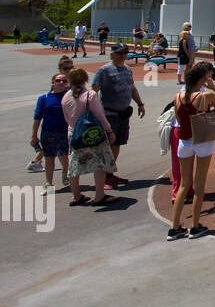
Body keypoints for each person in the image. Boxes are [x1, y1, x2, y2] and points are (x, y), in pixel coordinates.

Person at [167, 61, 215, 239]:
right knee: (199, 185)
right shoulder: (206, 96)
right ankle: (195, 226)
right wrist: (214, 87)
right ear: (202, 79)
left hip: (184, 143)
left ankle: (175, 227)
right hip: (202, 141)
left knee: (183, 184)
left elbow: (180, 117)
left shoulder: (177, 96)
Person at [91, 42, 145, 189]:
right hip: (109, 113)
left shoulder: (127, 69)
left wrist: (140, 104)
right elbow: (94, 91)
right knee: (107, 145)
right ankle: (103, 178)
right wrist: (93, 111)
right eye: (120, 53)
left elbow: (131, 87)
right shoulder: (104, 71)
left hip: (123, 113)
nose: (123, 56)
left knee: (117, 144)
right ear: (112, 54)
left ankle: (109, 174)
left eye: (125, 53)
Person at [61, 68, 117, 206]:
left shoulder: (66, 97)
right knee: (100, 162)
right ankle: (99, 195)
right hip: (91, 133)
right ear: (85, 79)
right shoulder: (90, 95)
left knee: (75, 164)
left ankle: (76, 195)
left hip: (74, 133)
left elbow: (67, 118)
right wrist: (109, 131)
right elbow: (100, 116)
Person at [29, 71, 71, 191]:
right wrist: (34, 135)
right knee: (49, 158)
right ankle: (49, 183)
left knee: (63, 156)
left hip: (64, 131)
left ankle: (65, 171)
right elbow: (37, 117)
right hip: (48, 132)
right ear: (53, 83)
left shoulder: (68, 96)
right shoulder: (44, 98)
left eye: (64, 81)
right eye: (58, 80)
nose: (61, 83)